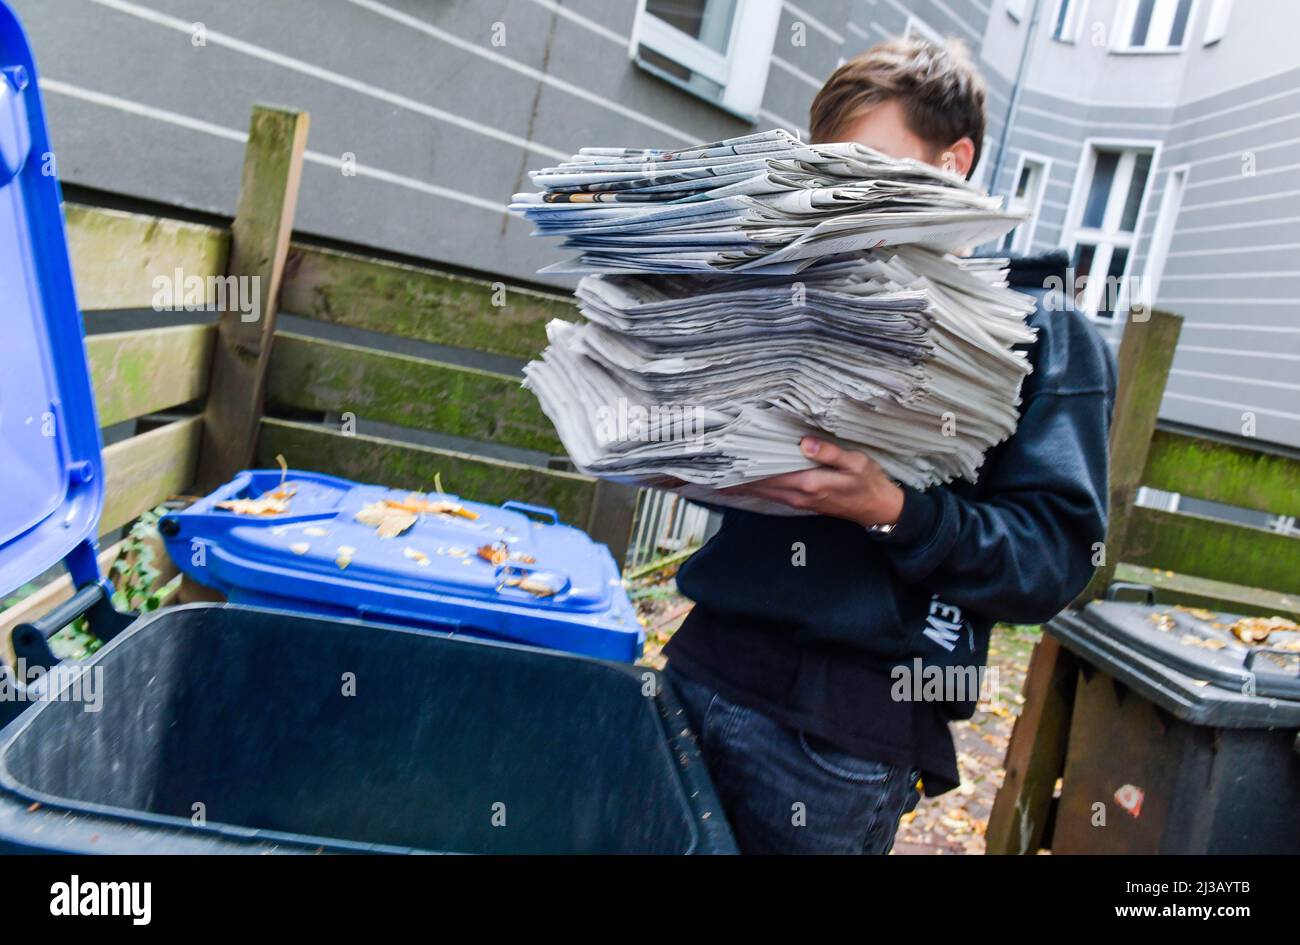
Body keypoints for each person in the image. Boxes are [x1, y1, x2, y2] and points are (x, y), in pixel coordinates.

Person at [663, 37, 1117, 855]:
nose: (848, 202)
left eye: (874, 172)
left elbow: (1055, 555)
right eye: (829, 176)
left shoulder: (1045, 333)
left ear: (956, 163)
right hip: (701, 668)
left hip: (842, 735)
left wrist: (897, 513)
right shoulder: (801, 291)